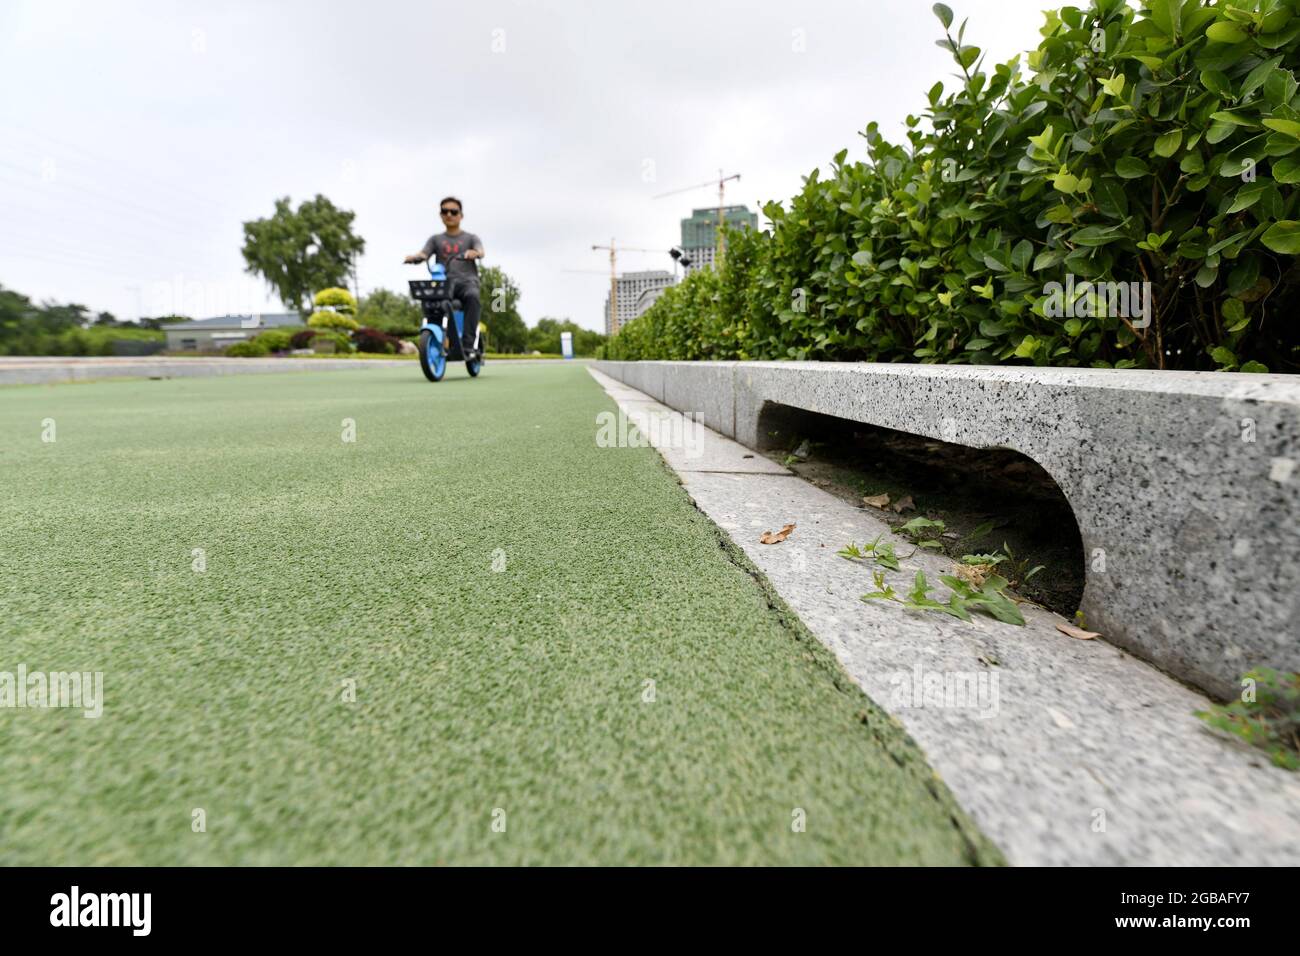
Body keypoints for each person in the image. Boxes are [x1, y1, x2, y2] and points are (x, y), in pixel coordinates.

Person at [404, 196, 485, 358]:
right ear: (441, 215)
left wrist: (474, 253)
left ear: (461, 215)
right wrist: (415, 257)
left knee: (473, 296)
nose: (449, 214)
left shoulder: (471, 238)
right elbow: (424, 253)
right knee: (430, 300)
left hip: (467, 283)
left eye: (453, 211)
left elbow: (480, 251)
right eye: (445, 211)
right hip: (444, 285)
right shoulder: (435, 239)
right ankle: (436, 337)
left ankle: (468, 345)